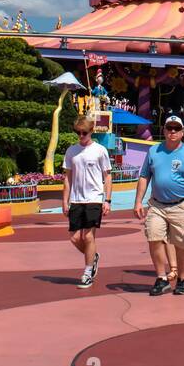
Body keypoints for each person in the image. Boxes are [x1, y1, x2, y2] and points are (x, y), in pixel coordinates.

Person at [134, 115, 184, 296]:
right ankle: (161, 278)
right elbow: (144, 176)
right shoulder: (153, 151)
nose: (172, 132)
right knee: (153, 237)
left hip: (181, 204)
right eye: (169, 128)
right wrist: (138, 202)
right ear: (164, 130)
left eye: (176, 129)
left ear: (182, 132)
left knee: (182, 245)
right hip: (157, 205)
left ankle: (181, 278)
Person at [62, 117, 114, 289]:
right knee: (74, 237)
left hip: (94, 198)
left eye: (84, 132)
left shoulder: (100, 150)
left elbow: (107, 176)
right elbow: (67, 178)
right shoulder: (71, 151)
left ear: (91, 131)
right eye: (78, 133)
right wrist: (65, 201)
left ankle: (87, 271)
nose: (81, 136)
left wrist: (107, 200)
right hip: (76, 199)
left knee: (88, 236)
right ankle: (93, 257)